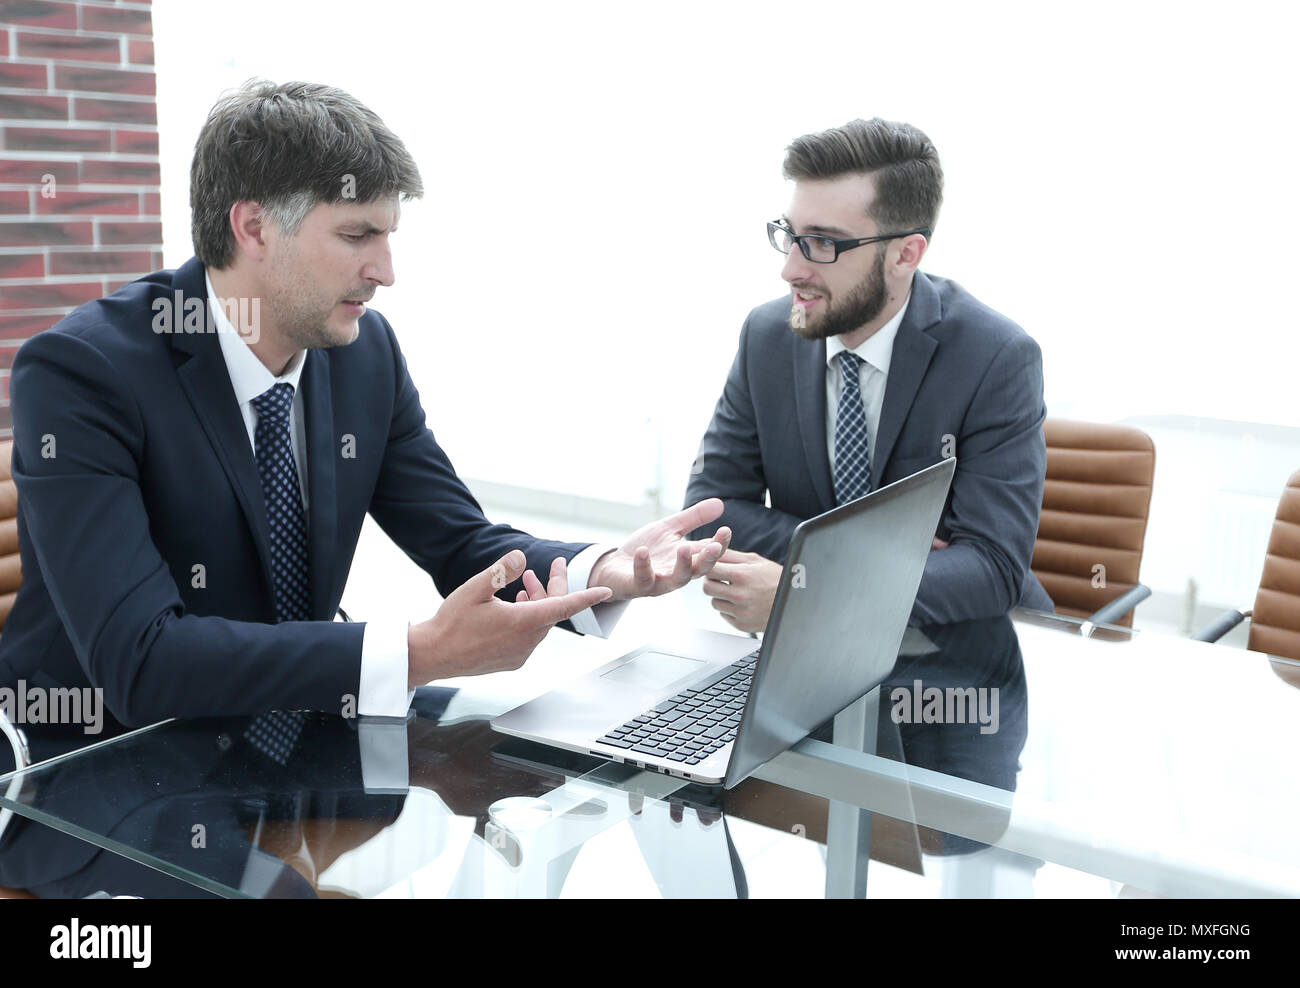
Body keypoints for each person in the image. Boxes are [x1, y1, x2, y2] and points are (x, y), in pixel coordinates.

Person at [0, 79, 731, 738]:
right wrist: (417, 653)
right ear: (252, 228)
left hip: (291, 735)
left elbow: (459, 543)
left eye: (387, 237)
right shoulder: (83, 373)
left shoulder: (361, 350)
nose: (385, 272)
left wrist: (606, 568)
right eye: (357, 236)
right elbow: (142, 661)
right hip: (97, 768)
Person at [685, 117, 1051, 631]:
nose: (790, 268)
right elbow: (708, 511)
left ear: (905, 254)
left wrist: (809, 591)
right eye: (790, 235)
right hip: (810, 655)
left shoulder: (995, 357)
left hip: (955, 648)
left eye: (823, 243)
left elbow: (991, 569)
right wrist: (874, 551)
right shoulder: (767, 335)